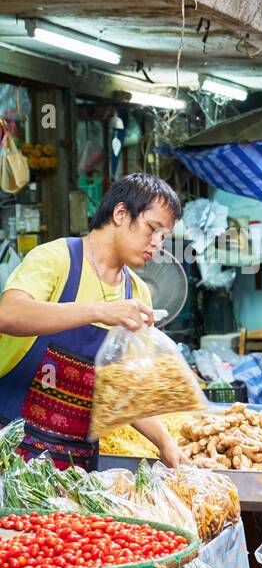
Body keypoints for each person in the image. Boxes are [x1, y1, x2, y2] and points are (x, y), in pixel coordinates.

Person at [0, 172, 185, 470]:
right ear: (121, 213)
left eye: (163, 236)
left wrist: (165, 442)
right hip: (9, 450)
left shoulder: (136, 292)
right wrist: (98, 310)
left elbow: (124, 388)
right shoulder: (55, 259)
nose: (157, 243)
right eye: (152, 229)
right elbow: (8, 315)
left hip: (76, 468)